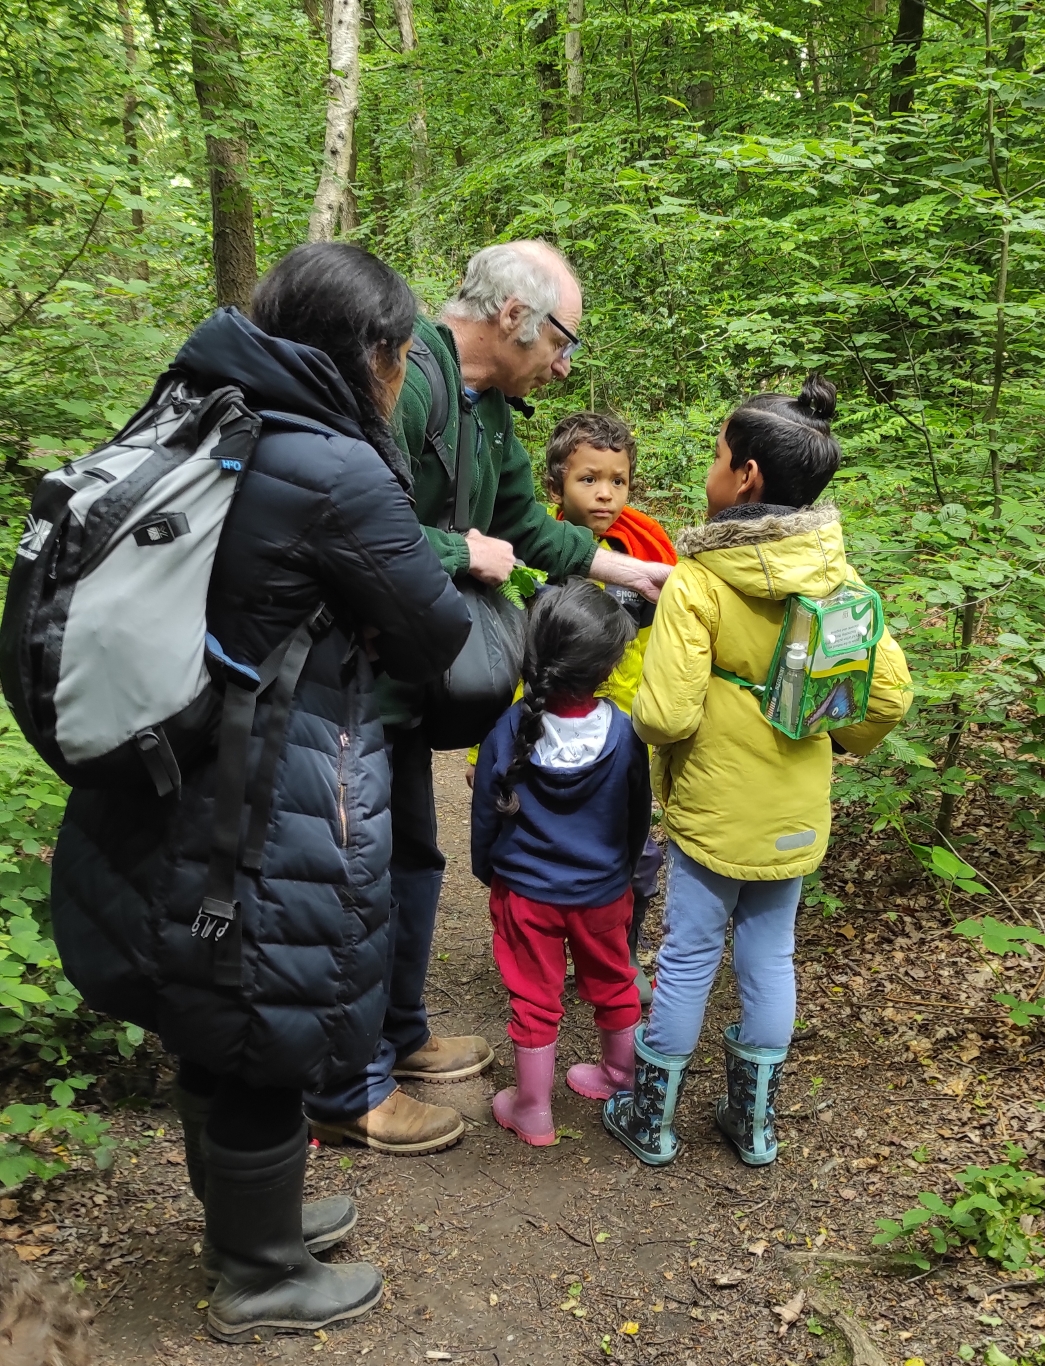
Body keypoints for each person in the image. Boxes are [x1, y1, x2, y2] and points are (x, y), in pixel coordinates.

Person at [49, 243, 472, 1341]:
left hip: (165, 773)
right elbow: (434, 631)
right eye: (399, 353)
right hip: (259, 790)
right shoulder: (332, 467)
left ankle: (251, 1217)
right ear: (373, 355)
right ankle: (259, 1269)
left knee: (214, 1007)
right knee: (261, 1020)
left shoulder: (207, 413)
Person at [306, 241, 673, 1156]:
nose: (564, 363)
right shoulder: (408, 379)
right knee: (354, 873)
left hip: (401, 687)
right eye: (563, 340)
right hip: (339, 684)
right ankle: (348, 1083)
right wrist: (458, 555)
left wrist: (642, 571)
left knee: (414, 860)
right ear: (514, 316)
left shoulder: (497, 418)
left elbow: (530, 529)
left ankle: (399, 1032)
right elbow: (342, 519)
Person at [603, 376, 913, 1168]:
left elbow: (667, 715)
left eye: (715, 455)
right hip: (795, 806)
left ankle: (652, 1121)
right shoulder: (838, 578)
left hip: (712, 810)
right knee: (770, 957)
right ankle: (751, 1124)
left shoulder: (701, 579)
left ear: (746, 478)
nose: (709, 469)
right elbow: (886, 694)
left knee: (686, 958)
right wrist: (834, 737)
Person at [471, 581, 651, 1145]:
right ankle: (621, 1077)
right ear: (609, 665)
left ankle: (532, 1109)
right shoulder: (623, 733)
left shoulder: (512, 727)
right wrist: (620, 873)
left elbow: (484, 816)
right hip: (603, 893)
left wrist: (490, 872)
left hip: (526, 895)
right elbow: (636, 817)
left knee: (534, 995)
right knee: (615, 980)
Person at [544, 411, 677, 1003]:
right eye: (588, 479)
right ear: (556, 486)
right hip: (548, 729)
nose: (605, 493)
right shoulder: (534, 555)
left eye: (617, 480)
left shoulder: (648, 551)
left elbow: (670, 644)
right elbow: (517, 656)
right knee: (552, 843)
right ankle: (547, 945)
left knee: (638, 852)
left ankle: (620, 947)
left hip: (628, 734)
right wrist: (480, 746)